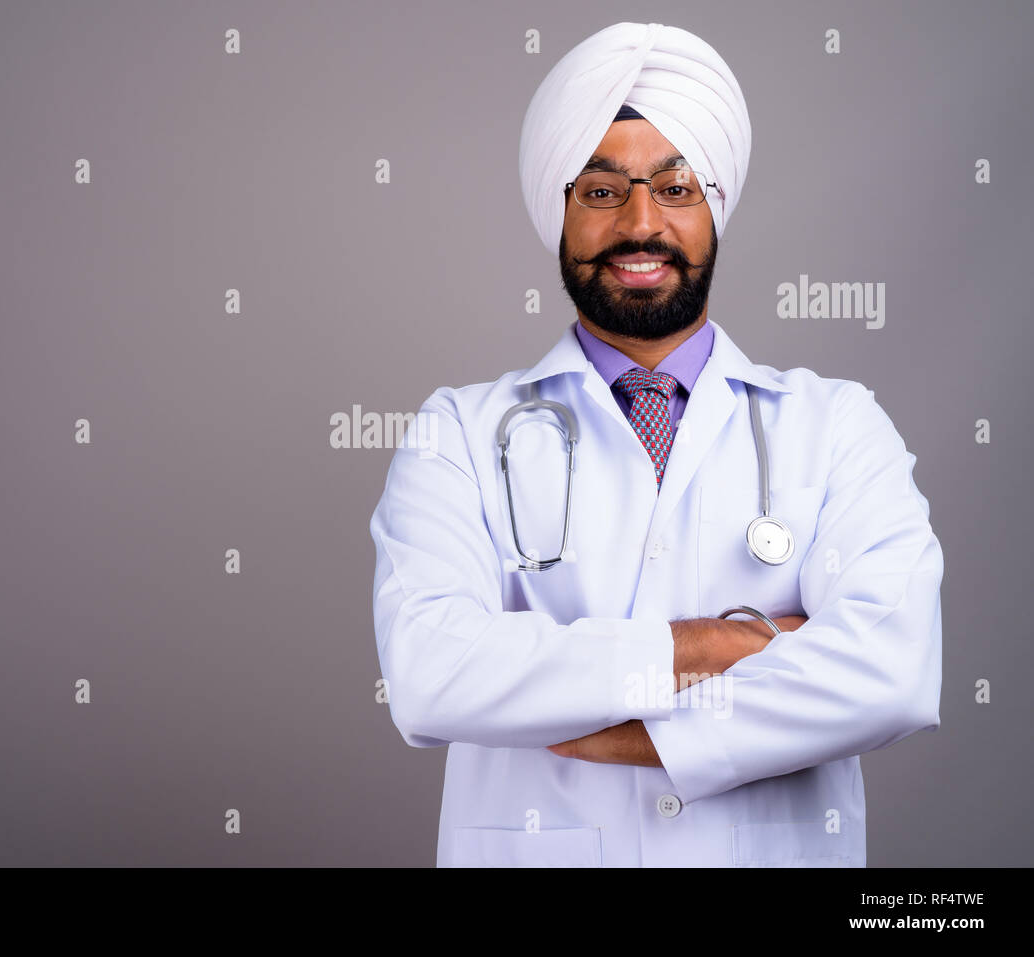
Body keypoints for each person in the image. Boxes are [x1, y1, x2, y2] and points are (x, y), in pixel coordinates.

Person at [368, 21, 943, 867]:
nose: (642, 223)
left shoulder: (837, 425)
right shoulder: (454, 433)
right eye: (602, 191)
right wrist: (721, 643)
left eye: (676, 188)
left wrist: (621, 720)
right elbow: (431, 675)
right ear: (558, 209)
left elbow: (889, 672)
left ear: (716, 206)